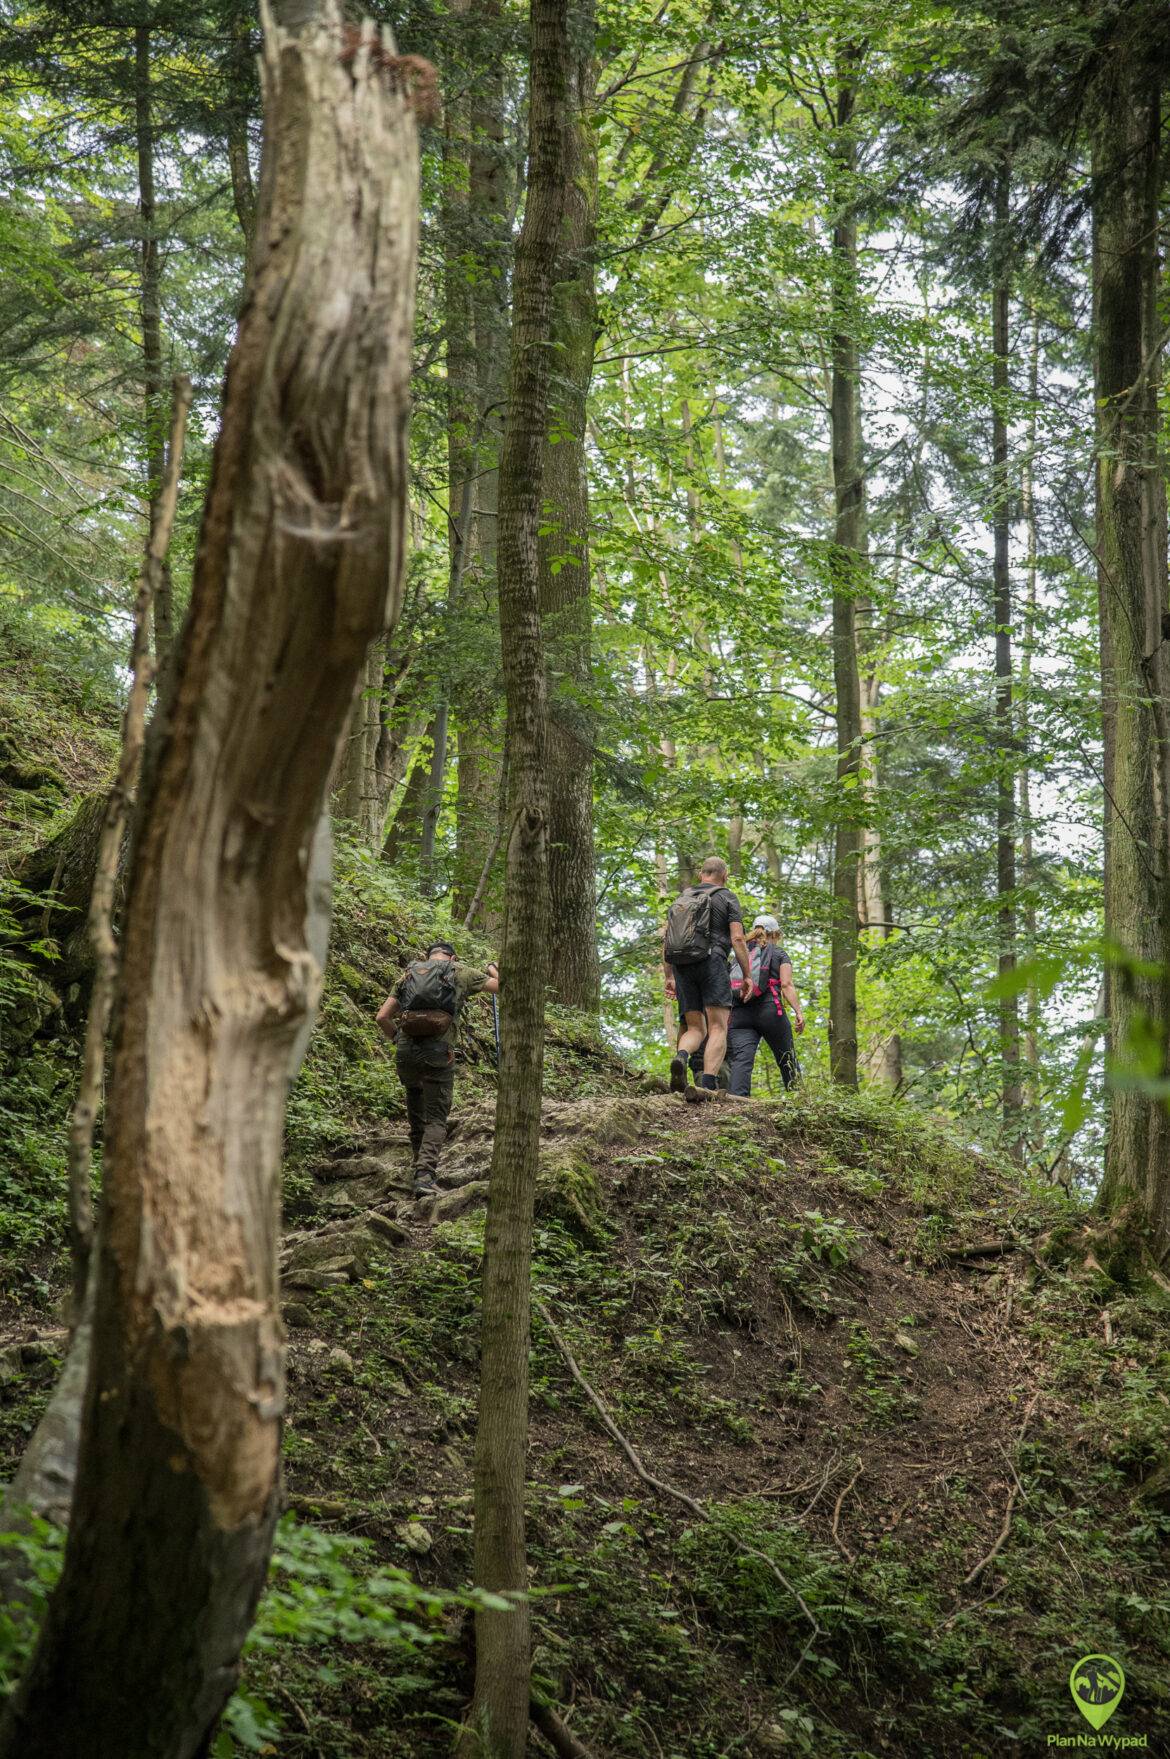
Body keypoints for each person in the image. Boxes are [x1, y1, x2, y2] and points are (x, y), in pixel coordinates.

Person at [376, 941, 499, 1198]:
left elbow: (382, 1017)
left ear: (427, 956)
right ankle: (424, 1175)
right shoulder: (460, 971)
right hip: (438, 1052)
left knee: (415, 1104)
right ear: (453, 957)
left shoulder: (408, 974)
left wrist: (398, 1039)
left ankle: (416, 1164)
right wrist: (492, 968)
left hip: (406, 1052)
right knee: (435, 1118)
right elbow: (502, 988)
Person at [663, 855, 752, 1093]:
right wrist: (747, 975)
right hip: (712, 962)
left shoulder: (682, 898)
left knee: (695, 1029)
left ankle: (681, 1056)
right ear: (725, 876)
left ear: (701, 874)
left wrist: (669, 976)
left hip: (682, 964)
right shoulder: (727, 896)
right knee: (717, 1028)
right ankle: (708, 1085)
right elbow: (737, 938)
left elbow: (667, 940)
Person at [727, 914, 805, 1095]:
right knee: (787, 1057)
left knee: (741, 1061)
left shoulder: (739, 954)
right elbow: (786, 985)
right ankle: (799, 1101)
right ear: (775, 934)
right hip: (770, 1011)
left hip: (740, 1014)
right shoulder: (779, 953)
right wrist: (798, 1012)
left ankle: (737, 1108)